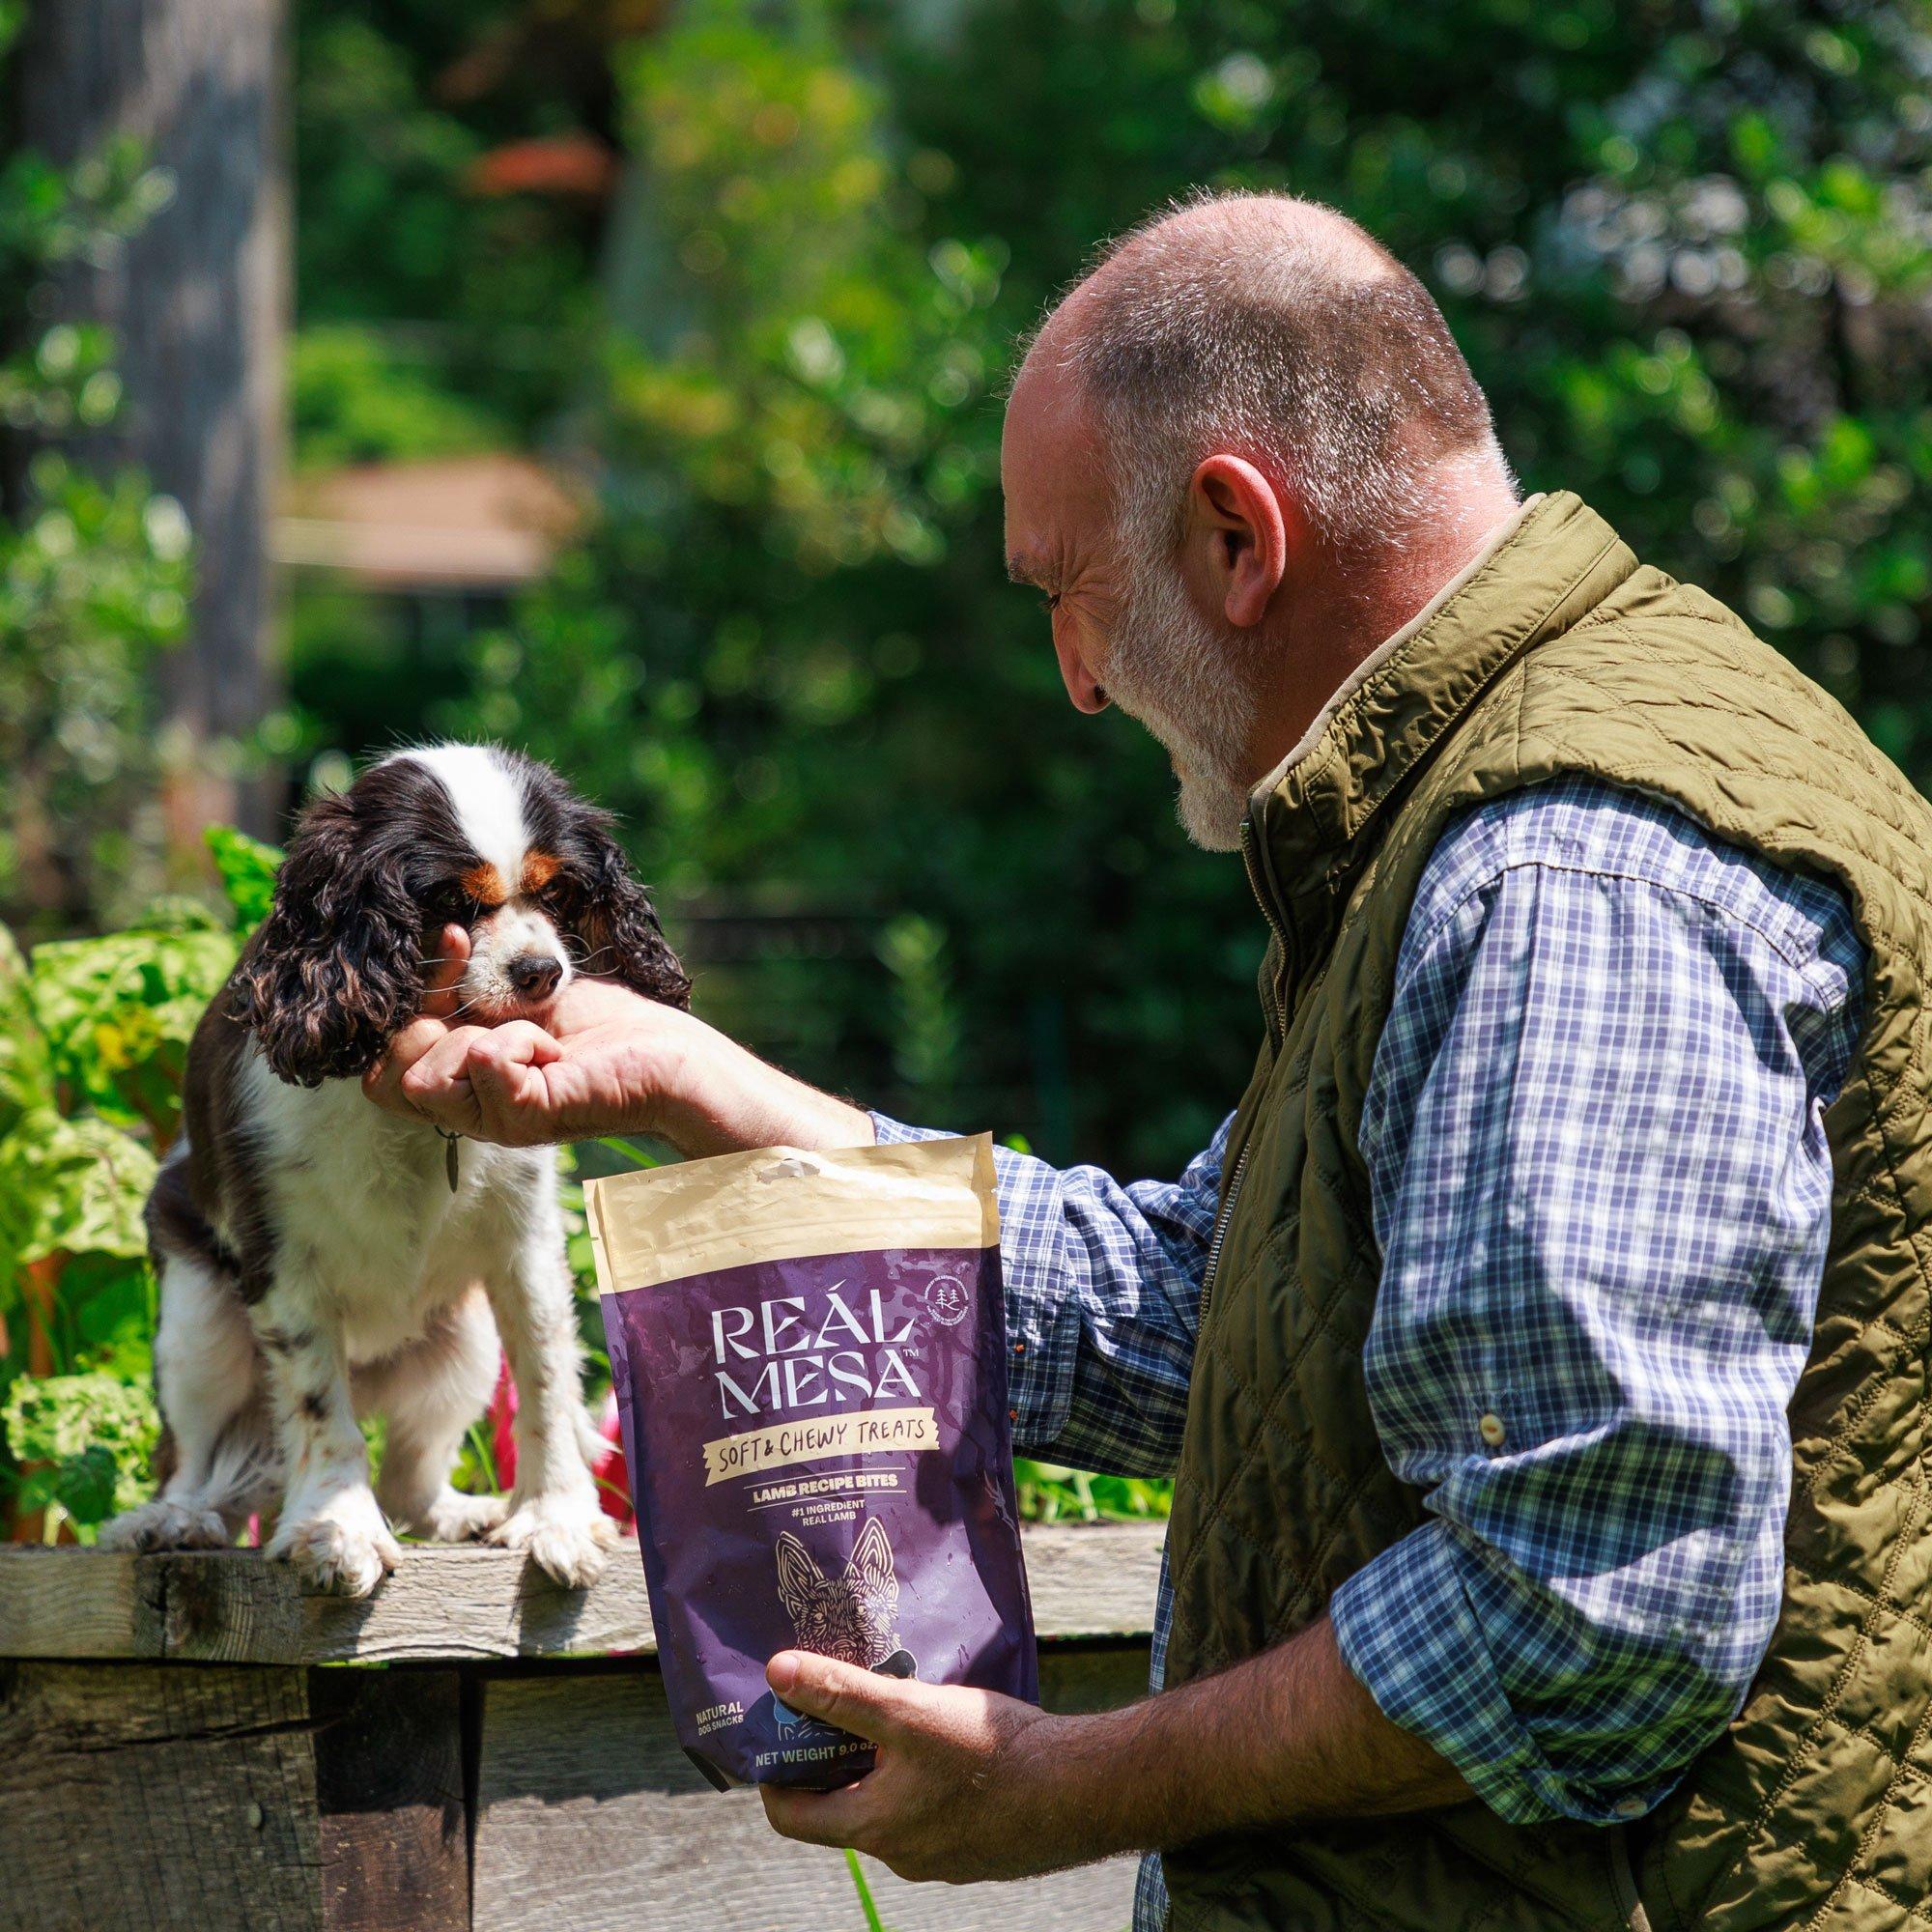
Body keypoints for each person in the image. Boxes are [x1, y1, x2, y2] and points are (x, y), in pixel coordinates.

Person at [367, 192, 1932, 1932]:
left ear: (1234, 537)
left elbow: (1589, 1616)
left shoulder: (1565, 876)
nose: (1080, 682)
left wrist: (1072, 1784)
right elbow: (1213, 1326)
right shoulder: (1470, 812)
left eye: (1071, 592)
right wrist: (709, 1089)